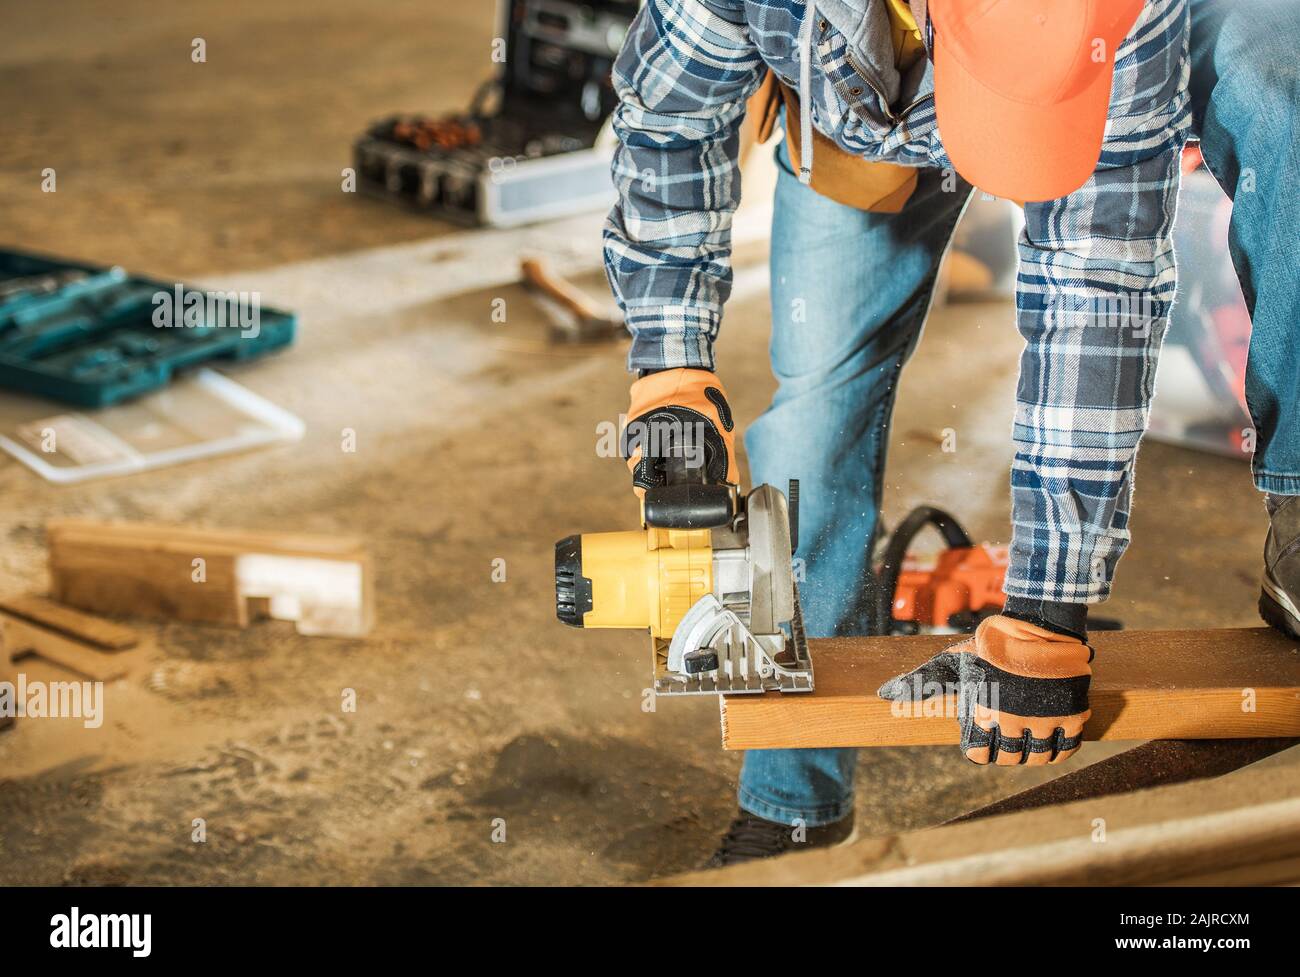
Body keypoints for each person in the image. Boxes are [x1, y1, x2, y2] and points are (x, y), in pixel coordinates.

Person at [603, 0, 1299, 866]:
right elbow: (670, 118)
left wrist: (1047, 606)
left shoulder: (1125, 14)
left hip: (1089, 70)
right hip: (859, 114)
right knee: (815, 421)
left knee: (1281, 96)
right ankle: (793, 806)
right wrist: (670, 360)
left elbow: (1097, 282)